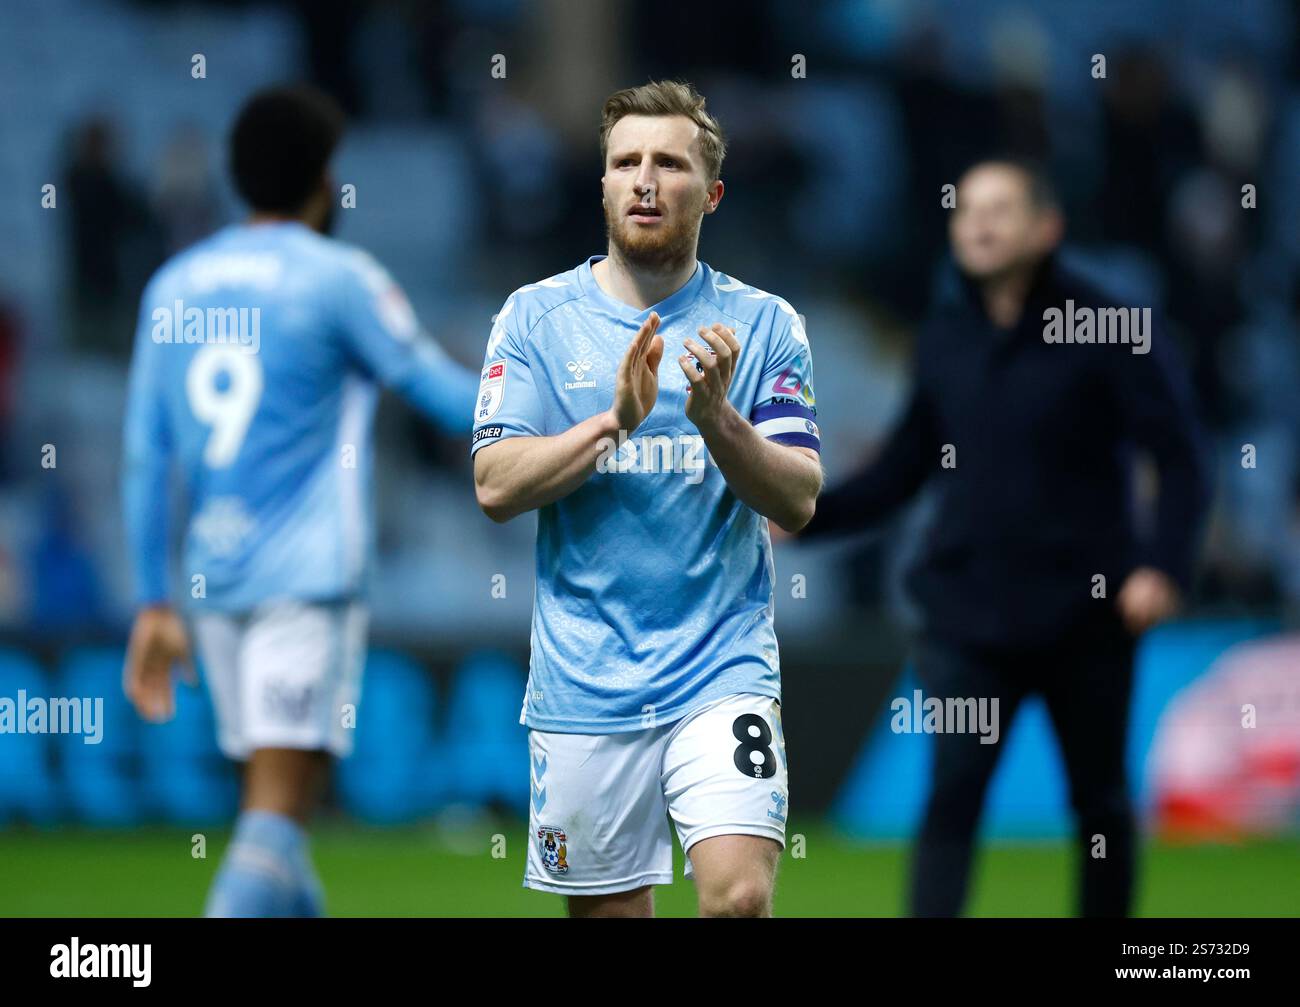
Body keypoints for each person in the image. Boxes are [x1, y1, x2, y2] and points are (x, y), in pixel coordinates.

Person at [799, 159, 1212, 917]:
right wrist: (799, 514)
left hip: (1087, 616)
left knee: (1100, 804)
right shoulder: (945, 337)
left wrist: (1162, 564)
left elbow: (1180, 457)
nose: (979, 223)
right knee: (951, 795)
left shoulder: (1107, 323)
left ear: (1046, 227)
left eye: (1000, 209)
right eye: (967, 211)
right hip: (968, 618)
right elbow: (903, 469)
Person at [120, 84, 477, 917]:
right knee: (274, 824)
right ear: (324, 181)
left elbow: (146, 454)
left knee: (275, 825)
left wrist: (150, 598)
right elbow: (447, 398)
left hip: (213, 585)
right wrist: (588, 399)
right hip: (305, 585)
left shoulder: (173, 285)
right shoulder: (337, 278)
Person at [471, 80, 822, 918]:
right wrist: (615, 422)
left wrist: (718, 422)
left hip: (720, 666)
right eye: (625, 161)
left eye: (669, 163)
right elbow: (494, 484)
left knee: (737, 899)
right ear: (601, 184)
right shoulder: (535, 318)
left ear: (712, 192)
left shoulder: (764, 323)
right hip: (584, 679)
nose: (644, 180)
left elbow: (800, 495)